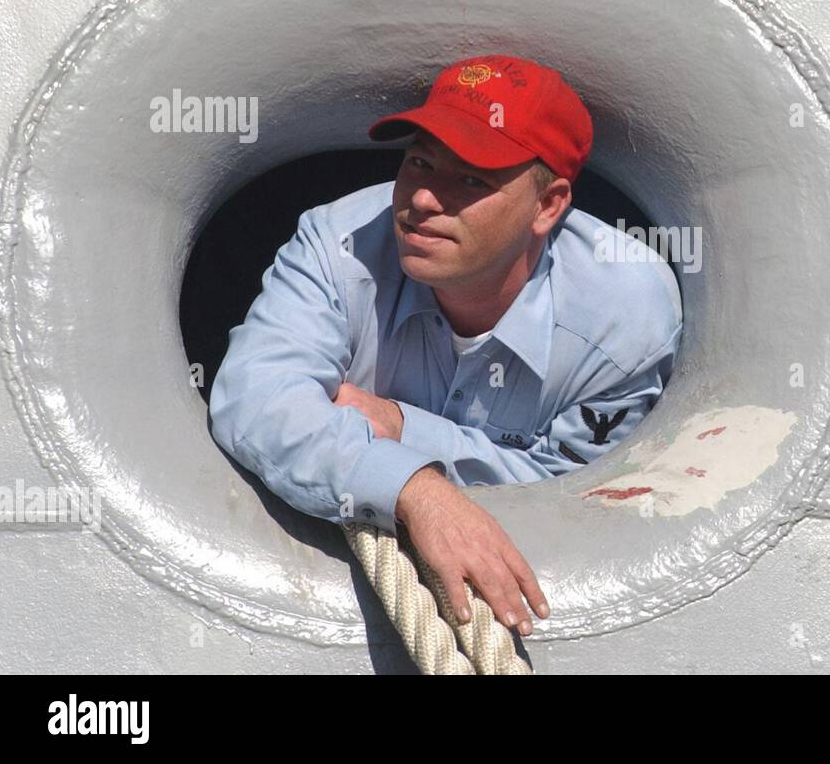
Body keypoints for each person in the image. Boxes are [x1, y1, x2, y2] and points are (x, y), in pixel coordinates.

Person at [209, 54, 683, 638]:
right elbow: (255, 397)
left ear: (548, 205)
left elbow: (578, 491)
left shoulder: (624, 314)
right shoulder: (338, 245)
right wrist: (413, 489)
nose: (423, 201)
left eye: (470, 180)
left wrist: (398, 426)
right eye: (418, 163)